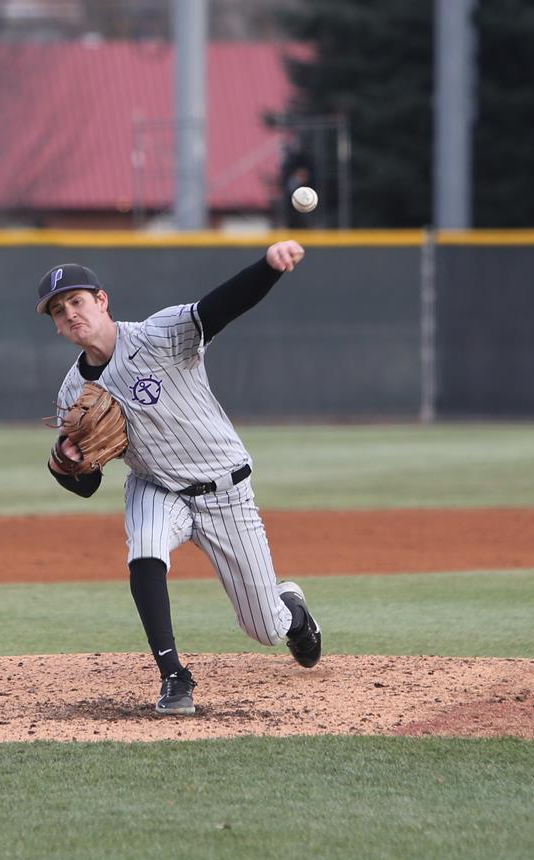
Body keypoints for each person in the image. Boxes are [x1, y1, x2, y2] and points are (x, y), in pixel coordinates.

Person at [36, 244, 323, 715]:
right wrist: (61, 464)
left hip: (225, 490)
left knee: (265, 629)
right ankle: (174, 677)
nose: (70, 314)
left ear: (101, 300)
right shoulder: (74, 391)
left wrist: (268, 268)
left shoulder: (160, 334)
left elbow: (221, 306)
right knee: (144, 549)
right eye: (58, 310)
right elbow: (88, 484)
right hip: (156, 487)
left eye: (76, 301)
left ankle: (290, 607)